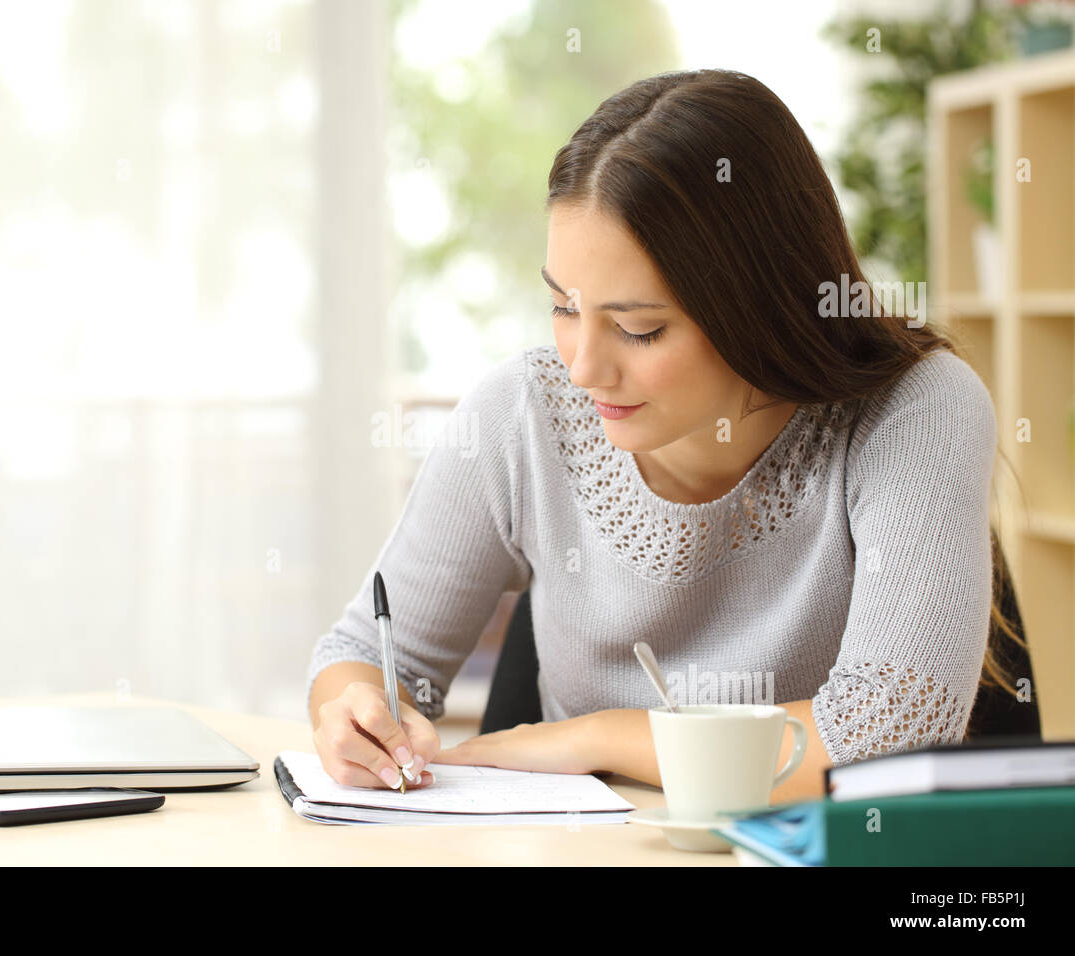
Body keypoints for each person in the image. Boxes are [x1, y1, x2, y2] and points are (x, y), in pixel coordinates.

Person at [305, 68, 1018, 803]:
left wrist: (590, 737)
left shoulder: (915, 409)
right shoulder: (519, 413)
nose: (583, 368)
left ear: (758, 306)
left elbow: (887, 741)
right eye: (563, 307)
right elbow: (363, 653)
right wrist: (359, 712)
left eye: (639, 329)